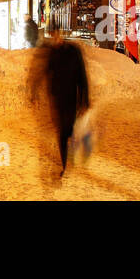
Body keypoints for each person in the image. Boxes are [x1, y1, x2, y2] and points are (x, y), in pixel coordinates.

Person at [42, 37, 92, 177]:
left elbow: (82, 76)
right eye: (53, 36)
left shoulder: (74, 51)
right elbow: (47, 72)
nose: (55, 39)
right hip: (58, 99)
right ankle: (65, 165)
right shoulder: (53, 52)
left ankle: (72, 158)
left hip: (71, 98)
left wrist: (85, 99)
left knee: (69, 130)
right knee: (62, 133)